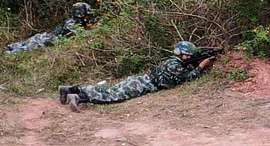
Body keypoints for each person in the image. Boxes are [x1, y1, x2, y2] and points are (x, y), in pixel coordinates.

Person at [58, 40, 213, 108]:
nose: (189, 57)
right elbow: (190, 77)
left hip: (139, 80)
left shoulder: (172, 61)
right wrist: (202, 66)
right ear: (181, 54)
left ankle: (71, 90)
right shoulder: (174, 65)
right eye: (187, 55)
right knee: (112, 97)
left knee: (108, 91)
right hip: (143, 84)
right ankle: (79, 97)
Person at [6, 1, 95, 54]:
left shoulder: (75, 22)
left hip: (43, 38)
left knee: (16, 47)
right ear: (82, 13)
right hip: (42, 41)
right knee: (13, 52)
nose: (89, 17)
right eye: (87, 15)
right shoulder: (71, 23)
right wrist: (96, 31)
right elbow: (81, 34)